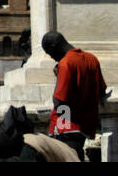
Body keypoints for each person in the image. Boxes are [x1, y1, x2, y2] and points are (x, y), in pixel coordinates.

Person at [43, 31, 107, 160]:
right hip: (87, 127)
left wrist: (58, 76)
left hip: (65, 127)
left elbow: (60, 100)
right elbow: (101, 91)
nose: (51, 57)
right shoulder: (92, 59)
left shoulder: (65, 63)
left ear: (53, 47)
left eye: (49, 53)